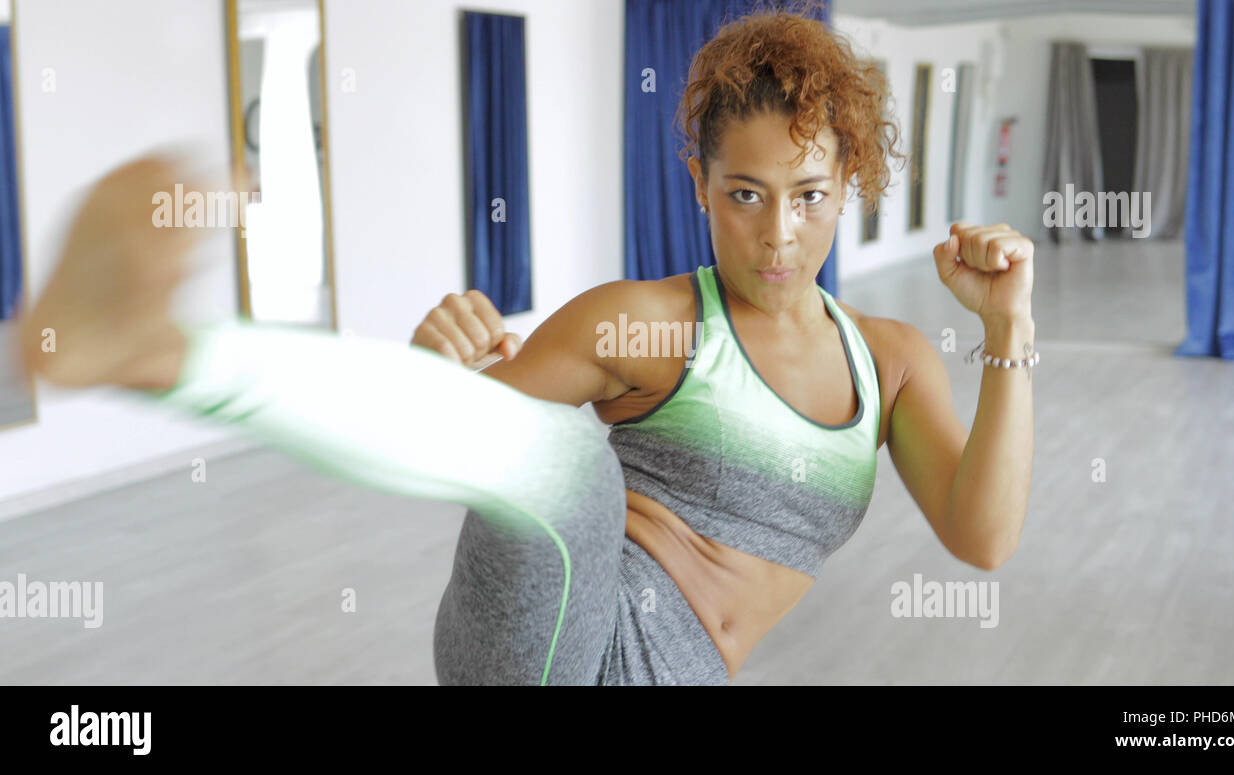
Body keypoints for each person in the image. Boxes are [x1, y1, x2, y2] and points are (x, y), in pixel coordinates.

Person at [16, 8, 1035, 686]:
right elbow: (470, 435)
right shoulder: (640, 319)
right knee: (558, 453)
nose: (776, 234)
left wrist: (1006, 330)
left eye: (807, 197)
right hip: (540, 636)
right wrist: (436, 365)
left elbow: (980, 537)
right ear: (698, 186)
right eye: (744, 195)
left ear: (847, 182)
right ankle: (159, 354)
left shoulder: (892, 358)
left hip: (664, 674)